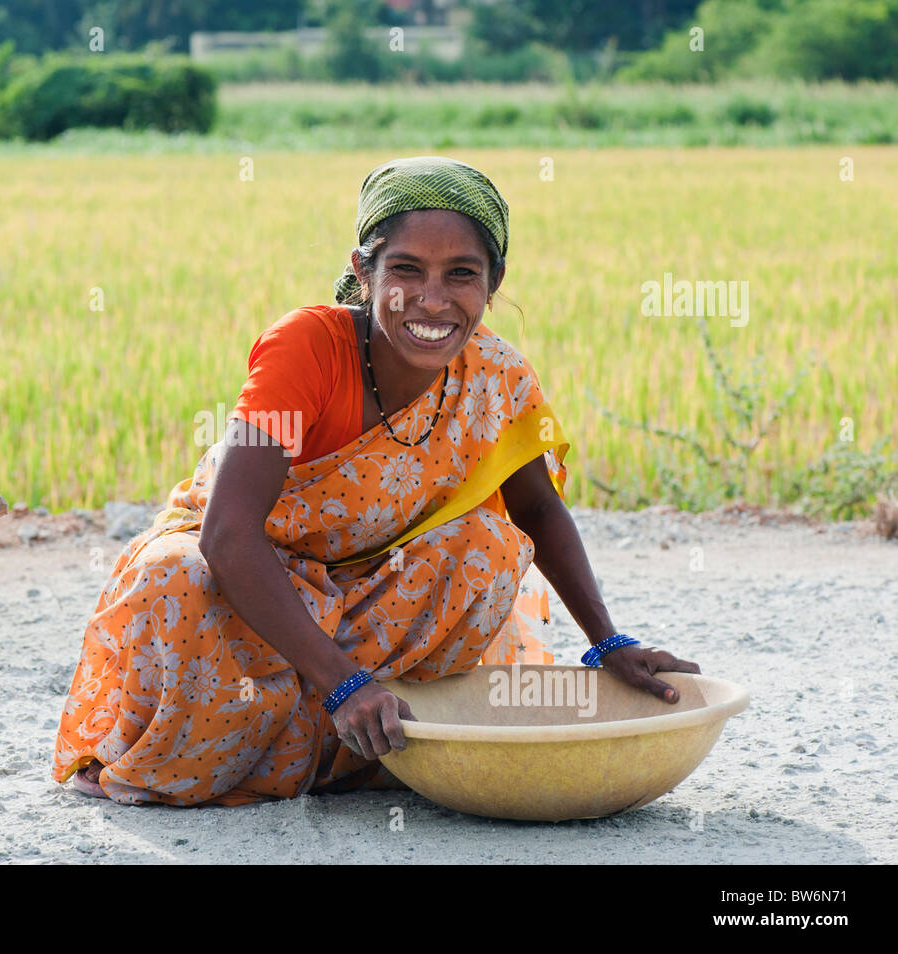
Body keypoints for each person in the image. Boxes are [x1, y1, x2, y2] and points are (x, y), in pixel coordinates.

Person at [52, 155, 700, 806]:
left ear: (494, 282)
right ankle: (261, 742)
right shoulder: (304, 347)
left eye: (462, 275)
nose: (432, 300)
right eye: (406, 270)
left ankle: (359, 746)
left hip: (361, 595)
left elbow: (538, 510)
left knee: (486, 546)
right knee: (178, 577)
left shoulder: (496, 376)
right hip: (247, 582)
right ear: (365, 272)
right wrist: (342, 683)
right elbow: (226, 535)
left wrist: (608, 642)